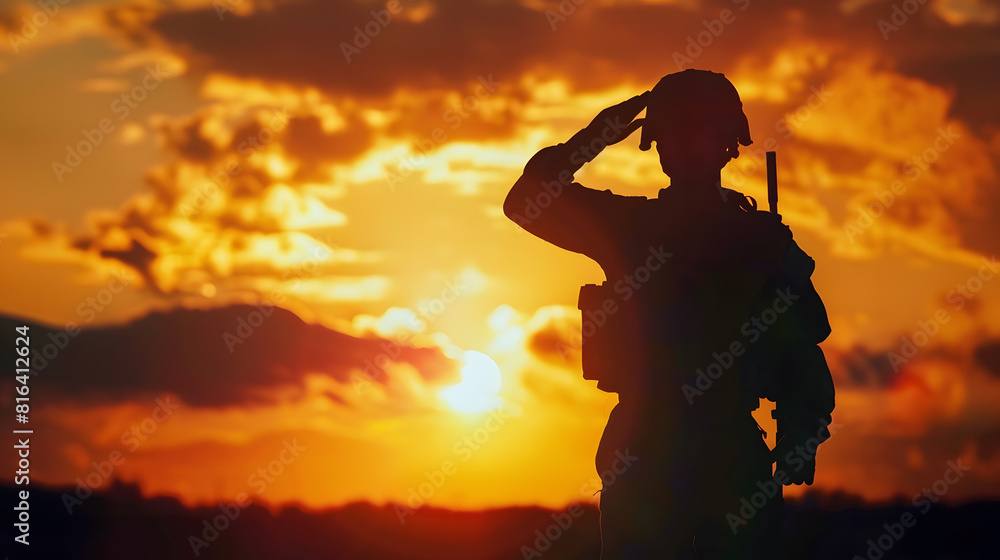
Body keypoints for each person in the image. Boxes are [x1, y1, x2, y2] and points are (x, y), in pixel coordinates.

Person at [503, 69, 835, 559]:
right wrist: (595, 136)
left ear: (727, 143)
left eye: (702, 131)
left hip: (723, 457)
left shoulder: (755, 239)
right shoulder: (629, 227)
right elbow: (526, 202)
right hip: (649, 450)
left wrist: (801, 428)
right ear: (658, 143)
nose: (689, 144)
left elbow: (806, 341)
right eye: (677, 131)